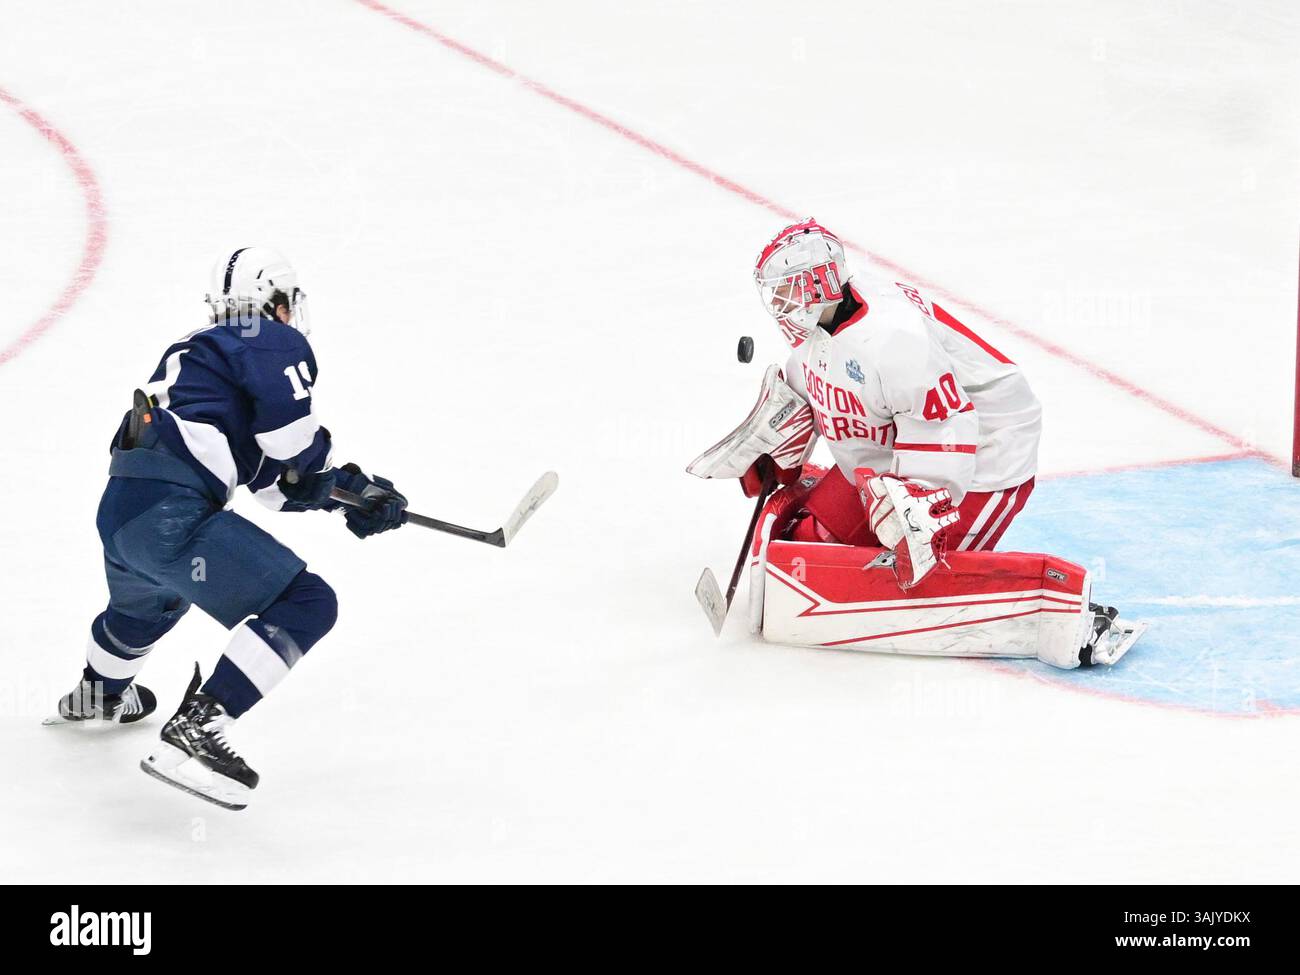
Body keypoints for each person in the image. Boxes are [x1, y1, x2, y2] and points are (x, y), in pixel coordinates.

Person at [53, 247, 409, 810]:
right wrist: (347, 485)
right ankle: (197, 730)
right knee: (308, 603)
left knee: (142, 612)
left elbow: (275, 482)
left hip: (125, 513)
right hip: (173, 513)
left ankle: (97, 695)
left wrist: (345, 495)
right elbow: (293, 450)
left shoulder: (208, 356)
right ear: (276, 301)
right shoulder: (268, 337)